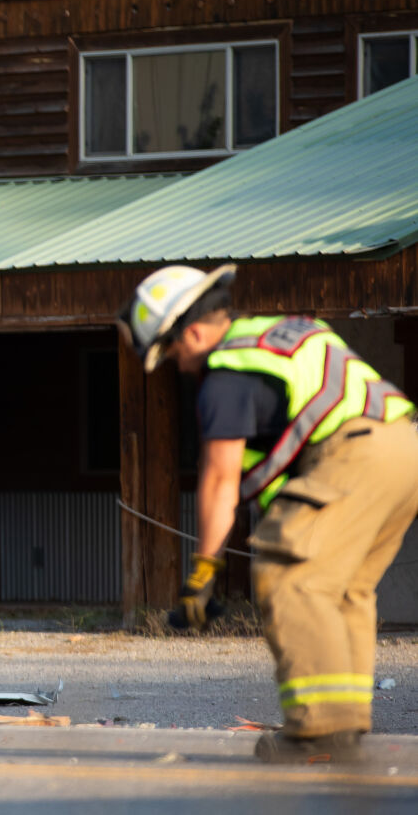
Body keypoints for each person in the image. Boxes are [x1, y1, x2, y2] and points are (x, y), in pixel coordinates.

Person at [120, 264, 418, 763]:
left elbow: (219, 482)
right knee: (343, 590)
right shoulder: (277, 335)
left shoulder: (227, 374)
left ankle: (316, 732)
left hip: (355, 454)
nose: (180, 365)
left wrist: (204, 573)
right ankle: (340, 727)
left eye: (172, 352)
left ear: (192, 331)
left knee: (290, 574)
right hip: (403, 447)